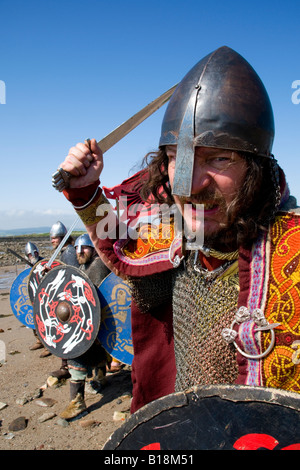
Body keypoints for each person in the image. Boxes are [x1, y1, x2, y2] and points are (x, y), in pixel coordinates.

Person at [53, 46, 300, 414]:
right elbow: (125, 242)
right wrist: (88, 192)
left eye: (219, 157)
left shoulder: (291, 249)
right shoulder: (181, 235)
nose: (190, 185)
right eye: (175, 159)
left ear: (257, 167)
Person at [59, 233, 111, 419]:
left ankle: (77, 402)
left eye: (85, 248)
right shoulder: (83, 266)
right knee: (94, 354)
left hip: (95, 322)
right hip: (88, 321)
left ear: (94, 249)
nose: (80, 251)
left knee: (75, 353)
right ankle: (101, 377)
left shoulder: (97, 265)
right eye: (78, 248)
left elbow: (95, 300)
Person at [48, 221, 79, 380]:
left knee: (66, 333)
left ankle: (66, 367)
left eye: (54, 238)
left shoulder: (68, 252)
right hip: (65, 299)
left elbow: (71, 277)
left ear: (62, 238)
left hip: (71, 300)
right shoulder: (64, 251)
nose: (52, 241)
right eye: (51, 238)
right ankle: (66, 366)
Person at [24, 242, 49, 355]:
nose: (33, 256)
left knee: (43, 322)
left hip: (43, 297)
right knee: (33, 320)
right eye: (30, 254)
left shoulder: (44, 263)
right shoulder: (26, 266)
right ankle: (38, 340)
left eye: (35, 253)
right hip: (32, 296)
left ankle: (47, 347)